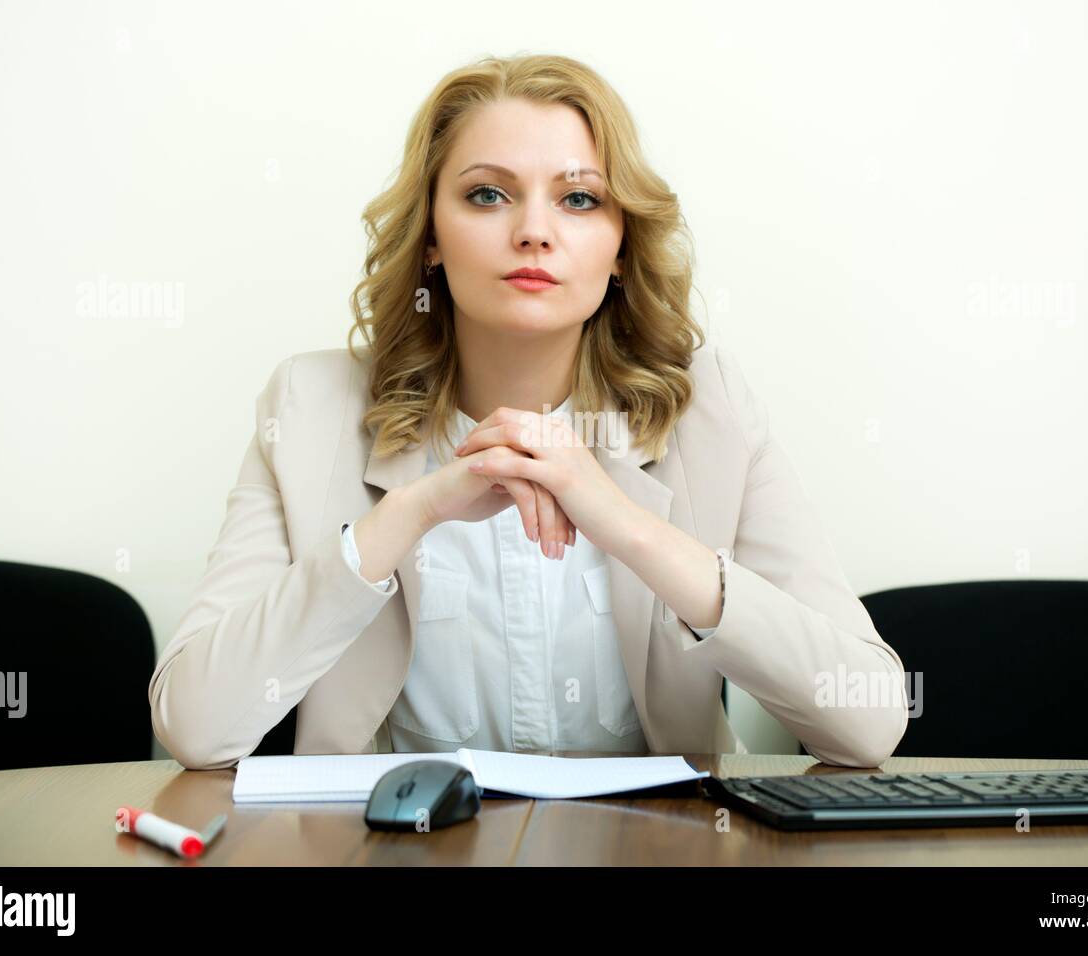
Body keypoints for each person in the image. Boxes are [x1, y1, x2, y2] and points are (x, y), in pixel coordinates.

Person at [149, 53, 908, 771]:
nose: (534, 231)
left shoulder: (711, 410)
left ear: (620, 246)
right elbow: (196, 726)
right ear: (431, 241)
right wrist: (409, 515)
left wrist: (627, 526)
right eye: (488, 194)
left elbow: (868, 721)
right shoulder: (309, 409)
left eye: (579, 198)